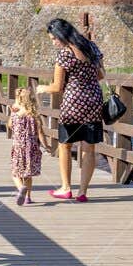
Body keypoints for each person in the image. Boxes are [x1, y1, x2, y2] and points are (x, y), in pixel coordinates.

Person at [38, 17, 104, 202]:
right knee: (89, 148)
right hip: (93, 101)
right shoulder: (92, 48)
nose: (53, 43)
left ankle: (66, 188)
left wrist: (43, 88)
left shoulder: (64, 54)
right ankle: (83, 192)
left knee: (65, 144)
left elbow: (57, 87)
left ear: (61, 35)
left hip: (73, 103)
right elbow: (101, 75)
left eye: (53, 38)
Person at [7, 85, 46, 206]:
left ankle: (20, 189)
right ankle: (28, 197)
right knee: (28, 174)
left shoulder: (15, 115)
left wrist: (11, 113)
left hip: (18, 147)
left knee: (15, 173)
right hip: (31, 148)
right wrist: (46, 146)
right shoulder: (34, 115)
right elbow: (40, 133)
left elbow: (9, 126)